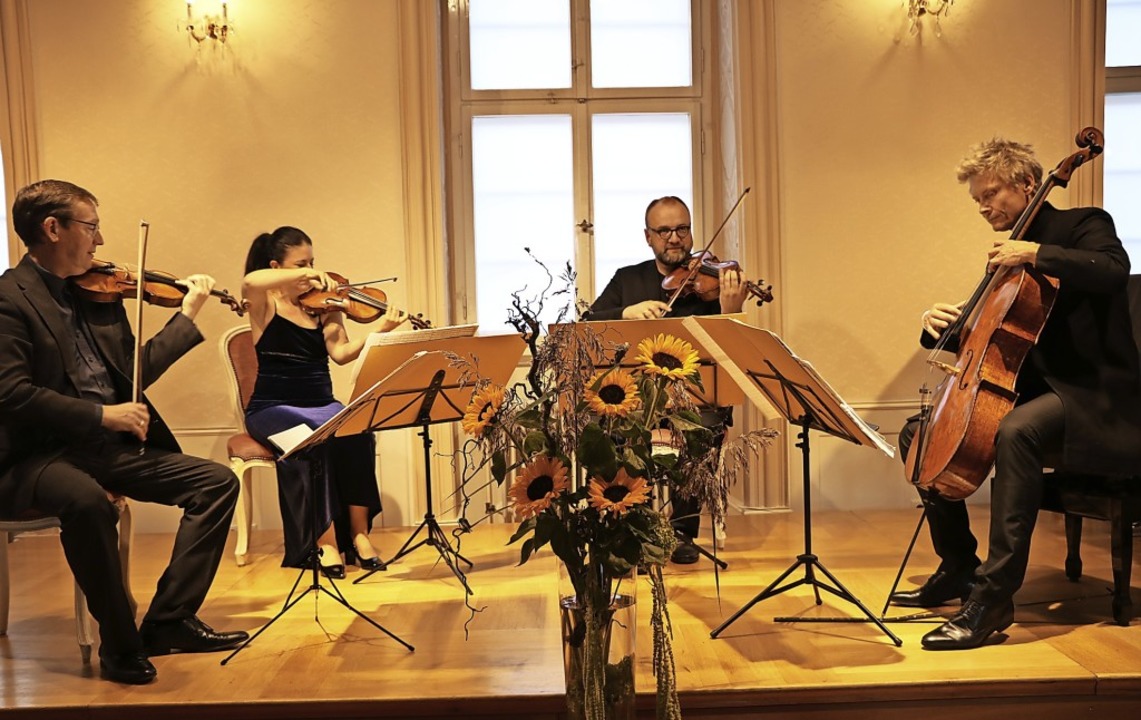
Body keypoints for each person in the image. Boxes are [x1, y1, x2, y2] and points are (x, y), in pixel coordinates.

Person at [890, 138, 1141, 650]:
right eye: (977, 199)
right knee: (920, 433)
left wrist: (1037, 253)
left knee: (1016, 431)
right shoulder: (1007, 257)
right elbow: (987, 333)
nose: (983, 207)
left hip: (1096, 398)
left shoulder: (1083, 225)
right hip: (1036, 391)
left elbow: (1115, 272)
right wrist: (936, 323)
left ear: (1028, 185)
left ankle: (992, 599)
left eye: (992, 193)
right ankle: (958, 564)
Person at [0, 180, 248, 685]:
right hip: (35, 456)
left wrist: (186, 316)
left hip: (103, 448)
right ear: (52, 228)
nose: (101, 241)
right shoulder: (8, 298)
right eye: (91, 226)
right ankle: (119, 642)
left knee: (217, 483)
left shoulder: (98, 293)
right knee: (87, 501)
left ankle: (169, 620)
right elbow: (12, 394)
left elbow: (133, 372)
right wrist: (103, 417)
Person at [587, 196, 748, 563]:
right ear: (648, 237)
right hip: (636, 403)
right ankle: (625, 528)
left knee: (696, 428)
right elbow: (588, 322)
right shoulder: (628, 279)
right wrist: (626, 312)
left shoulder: (712, 284)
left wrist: (731, 308)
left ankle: (681, 531)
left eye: (682, 229)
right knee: (607, 431)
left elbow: (732, 349)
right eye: (664, 231)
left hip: (693, 400)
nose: (674, 238)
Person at [242, 227, 407, 579]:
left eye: (313, 262)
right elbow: (250, 282)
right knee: (312, 441)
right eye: (302, 264)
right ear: (279, 267)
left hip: (320, 401)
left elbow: (341, 353)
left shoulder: (326, 307)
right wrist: (303, 275)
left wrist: (382, 331)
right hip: (272, 406)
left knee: (358, 430)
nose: (313, 271)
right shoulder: (264, 303)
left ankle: (359, 535)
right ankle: (325, 541)